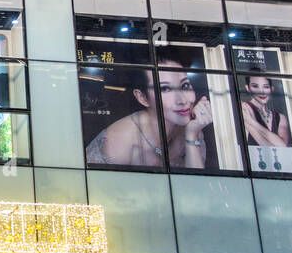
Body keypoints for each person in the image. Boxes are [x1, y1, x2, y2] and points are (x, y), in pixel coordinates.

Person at [85, 53, 214, 169]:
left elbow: (194, 188)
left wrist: (192, 135)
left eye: (185, 85)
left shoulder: (192, 126)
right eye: (165, 89)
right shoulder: (119, 141)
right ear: (142, 97)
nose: (182, 100)